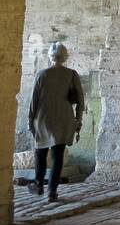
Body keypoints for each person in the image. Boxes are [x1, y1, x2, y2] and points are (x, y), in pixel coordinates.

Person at [28, 42, 84, 203]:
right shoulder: (72, 74)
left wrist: (30, 120)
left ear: (50, 56)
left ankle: (38, 184)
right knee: (57, 155)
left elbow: (33, 101)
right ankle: (52, 191)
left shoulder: (41, 74)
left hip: (43, 118)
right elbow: (80, 100)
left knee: (40, 152)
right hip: (63, 118)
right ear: (65, 57)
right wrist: (78, 120)